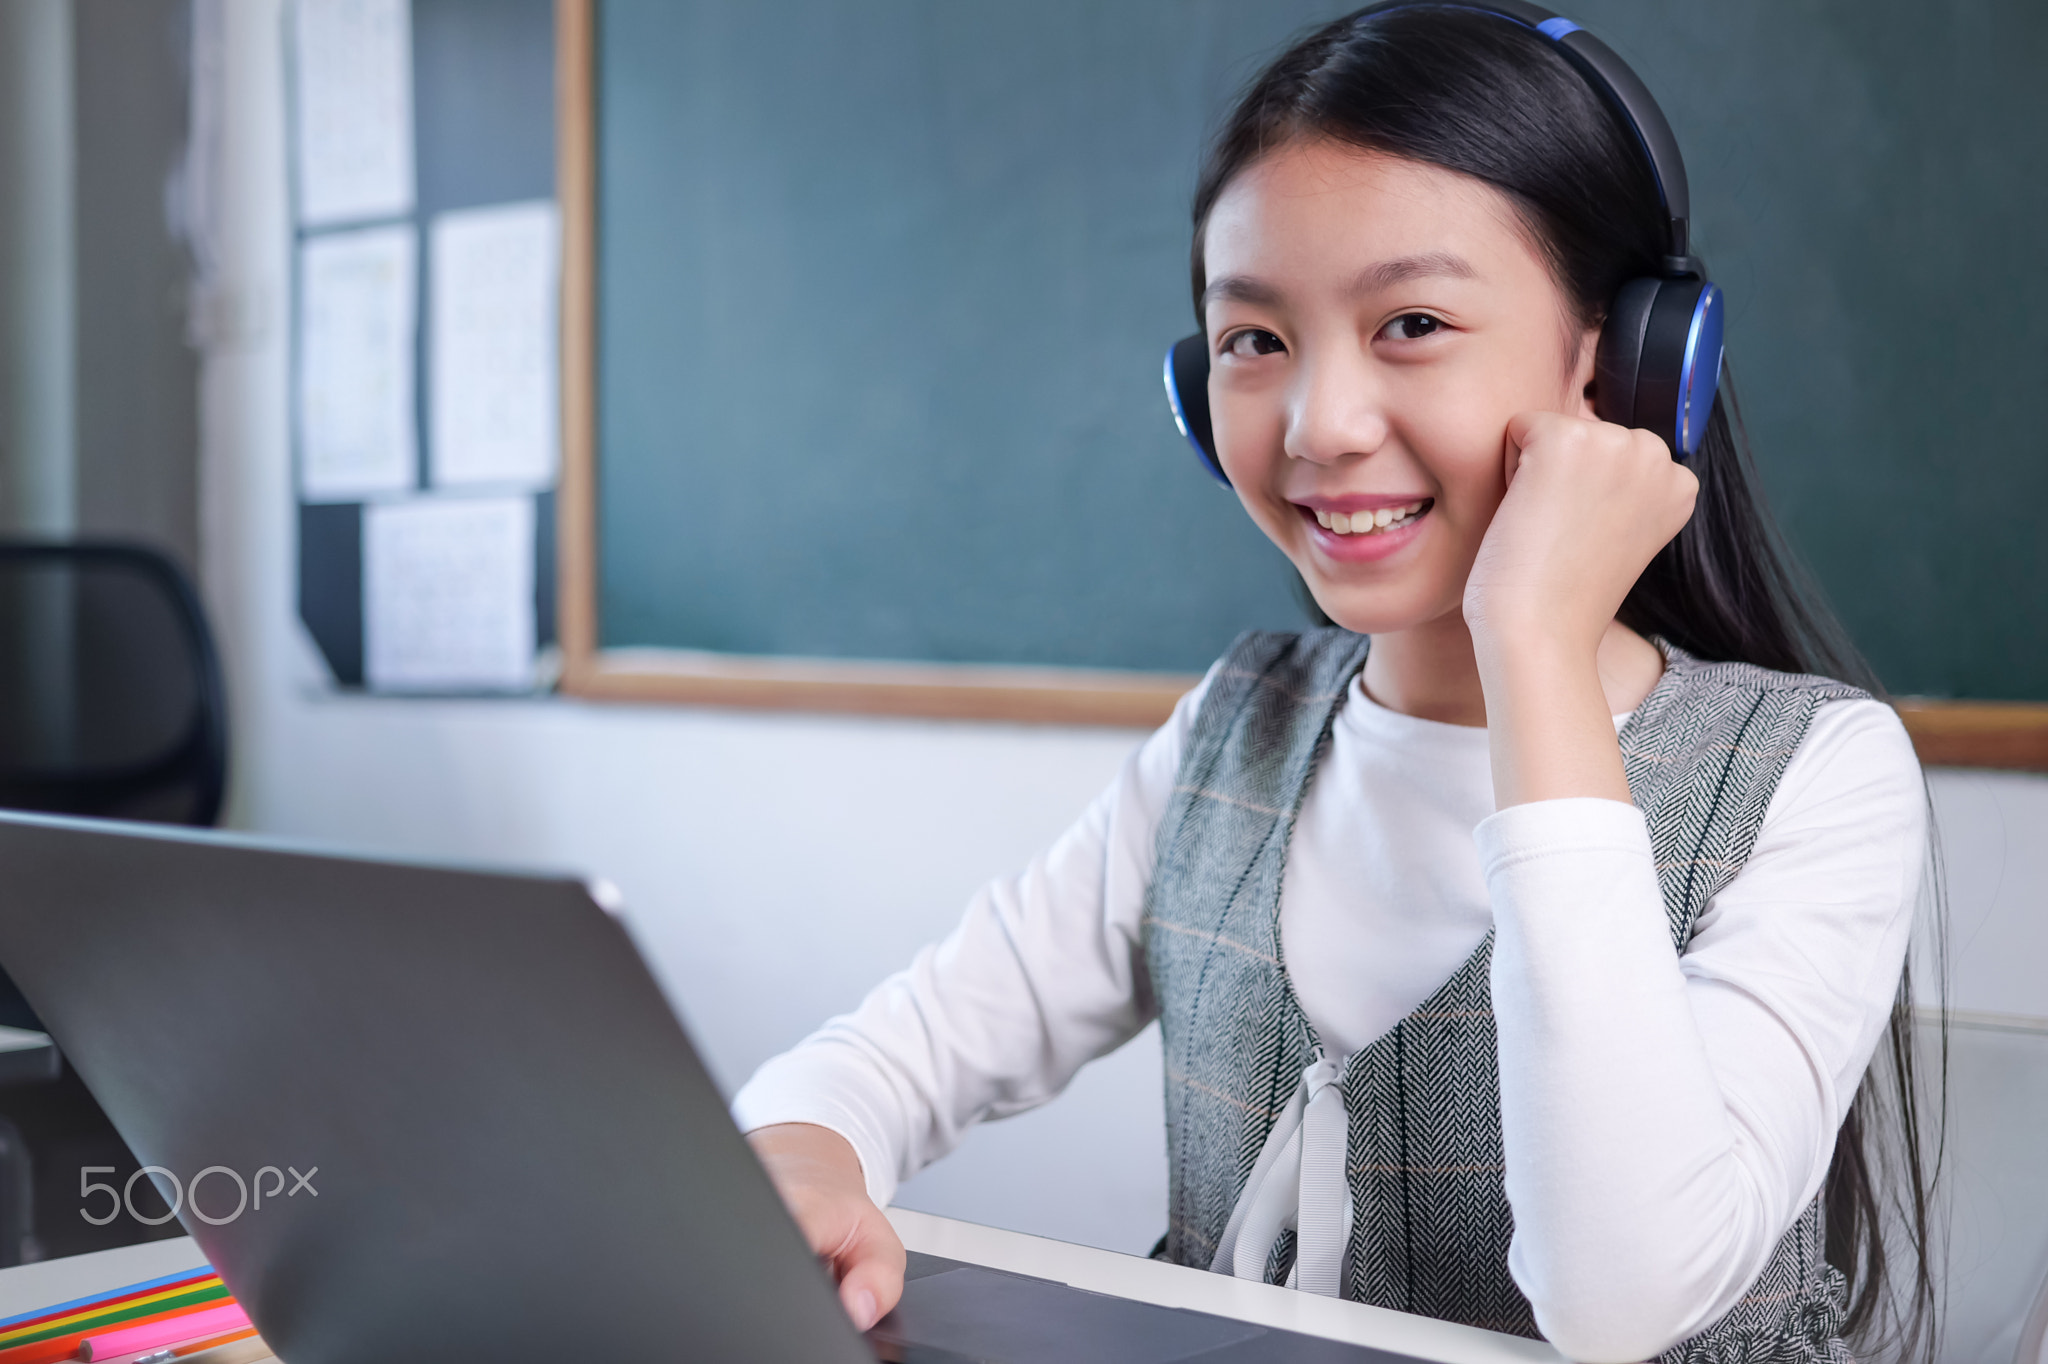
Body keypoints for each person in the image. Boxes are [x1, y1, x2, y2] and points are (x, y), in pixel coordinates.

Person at [733, 6, 1937, 1361]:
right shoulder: (1235, 732)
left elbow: (1621, 1301)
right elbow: (886, 1059)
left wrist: (1532, 643)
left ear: (1627, 357)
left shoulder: (1817, 776)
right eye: (1255, 341)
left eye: (1412, 321)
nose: (1321, 425)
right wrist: (802, 1147)